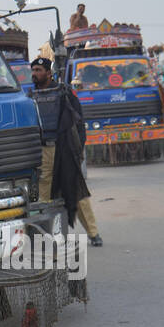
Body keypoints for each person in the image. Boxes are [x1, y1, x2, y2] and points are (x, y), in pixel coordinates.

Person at [28, 57, 100, 246]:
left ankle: (93, 233)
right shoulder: (28, 96)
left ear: (48, 73)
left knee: (76, 189)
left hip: (64, 149)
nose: (35, 73)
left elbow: (78, 123)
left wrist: (79, 148)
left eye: (38, 70)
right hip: (42, 150)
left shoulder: (64, 93)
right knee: (42, 193)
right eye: (33, 70)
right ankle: (44, 234)